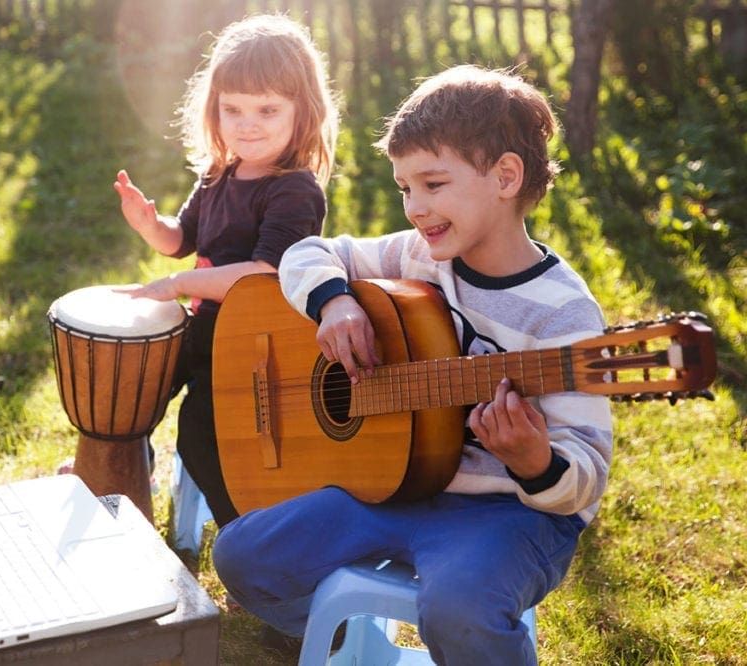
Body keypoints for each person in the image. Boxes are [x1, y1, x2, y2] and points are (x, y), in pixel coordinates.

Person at [211, 64, 613, 663]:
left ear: (505, 176)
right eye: (405, 188)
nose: (415, 208)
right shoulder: (416, 257)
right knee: (241, 555)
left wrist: (534, 461)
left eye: (433, 184)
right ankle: (354, 640)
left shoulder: (563, 316)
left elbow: (587, 473)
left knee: (459, 607)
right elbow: (306, 253)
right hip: (392, 489)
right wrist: (334, 300)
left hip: (504, 514)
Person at [113, 14, 340, 528]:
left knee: (200, 433)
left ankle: (248, 533)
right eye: (232, 109)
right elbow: (184, 240)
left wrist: (178, 285)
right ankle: (120, 481)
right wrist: (151, 225)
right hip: (205, 329)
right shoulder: (221, 171)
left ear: (303, 113)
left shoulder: (294, 190)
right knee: (133, 386)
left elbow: (263, 274)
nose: (247, 123)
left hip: (252, 345)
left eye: (266, 109)